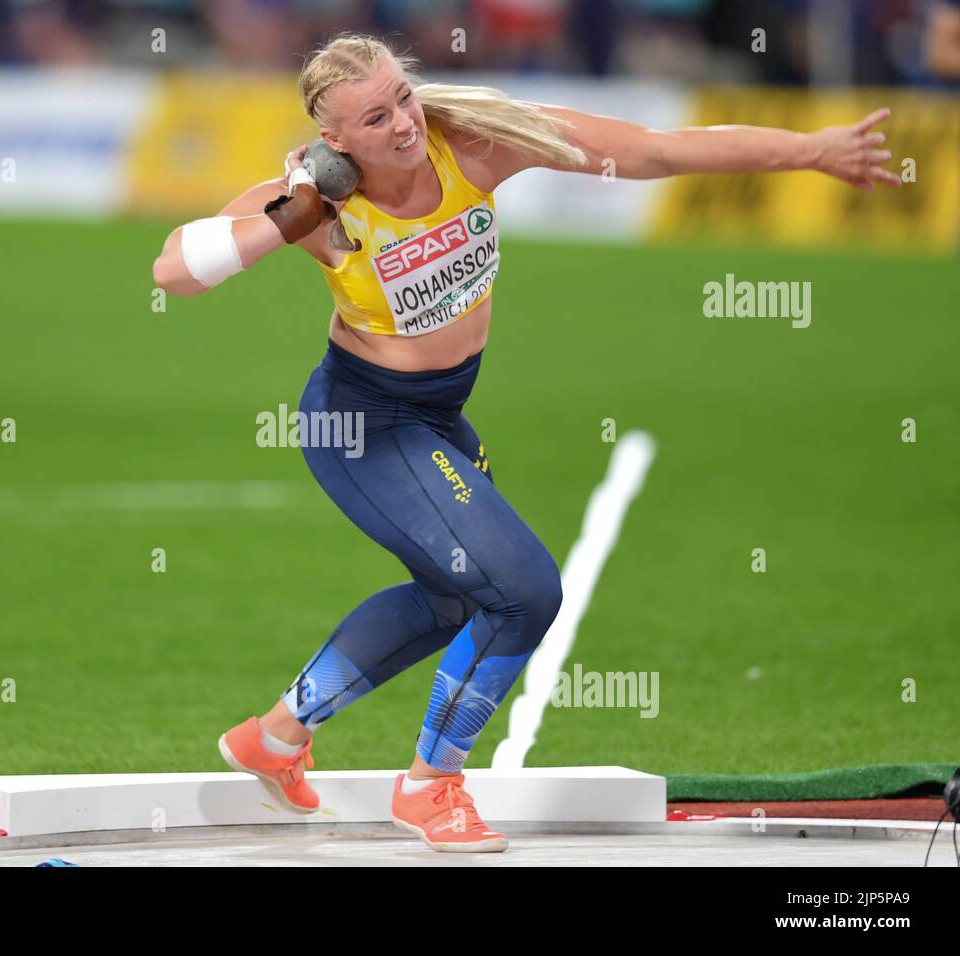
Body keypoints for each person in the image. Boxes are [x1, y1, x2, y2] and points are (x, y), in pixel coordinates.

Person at [151, 32, 900, 852]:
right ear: (335, 140)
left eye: (403, 94)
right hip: (363, 423)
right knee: (525, 591)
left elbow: (652, 150)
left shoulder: (471, 144)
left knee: (455, 597)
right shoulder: (320, 204)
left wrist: (810, 150)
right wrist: (287, 218)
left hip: (438, 416)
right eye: (375, 116)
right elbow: (174, 271)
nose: (404, 122)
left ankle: (277, 736)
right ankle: (430, 787)